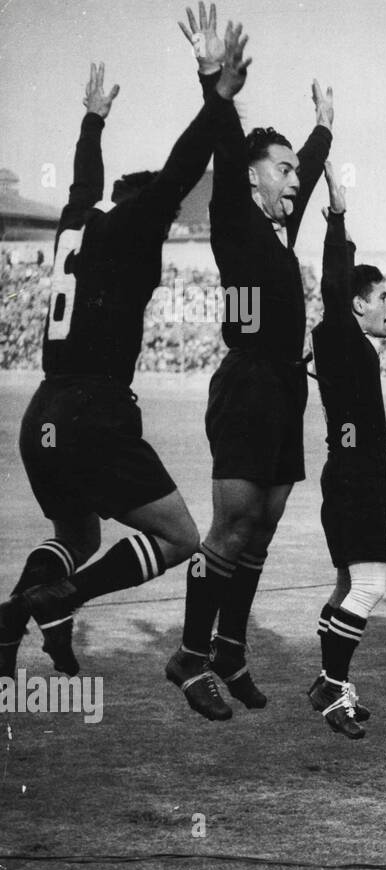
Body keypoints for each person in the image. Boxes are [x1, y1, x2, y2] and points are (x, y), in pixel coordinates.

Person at [1, 16, 241, 683]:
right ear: (145, 212)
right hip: (96, 411)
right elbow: (183, 166)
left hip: (42, 411)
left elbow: (84, 181)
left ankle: (11, 616)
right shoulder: (138, 225)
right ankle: (62, 598)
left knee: (78, 535)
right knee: (180, 538)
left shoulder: (78, 219)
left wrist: (93, 120)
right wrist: (213, 91)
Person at [170, 7, 335, 719]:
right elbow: (230, 150)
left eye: (298, 170)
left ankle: (232, 647)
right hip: (245, 385)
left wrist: (323, 127)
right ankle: (190, 654)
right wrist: (219, 88)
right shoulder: (237, 215)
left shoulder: (273, 228)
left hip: (284, 389)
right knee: (231, 528)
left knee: (263, 525)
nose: (296, 179)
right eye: (285, 168)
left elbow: (310, 170)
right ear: (253, 177)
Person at [306, 161, 386, 739]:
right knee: (370, 586)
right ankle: (332, 689)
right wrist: (339, 215)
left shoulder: (349, 342)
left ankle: (327, 681)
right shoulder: (340, 333)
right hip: (354, 480)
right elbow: (335, 281)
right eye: (383, 296)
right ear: (358, 303)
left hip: (355, 476)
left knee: (346, 585)